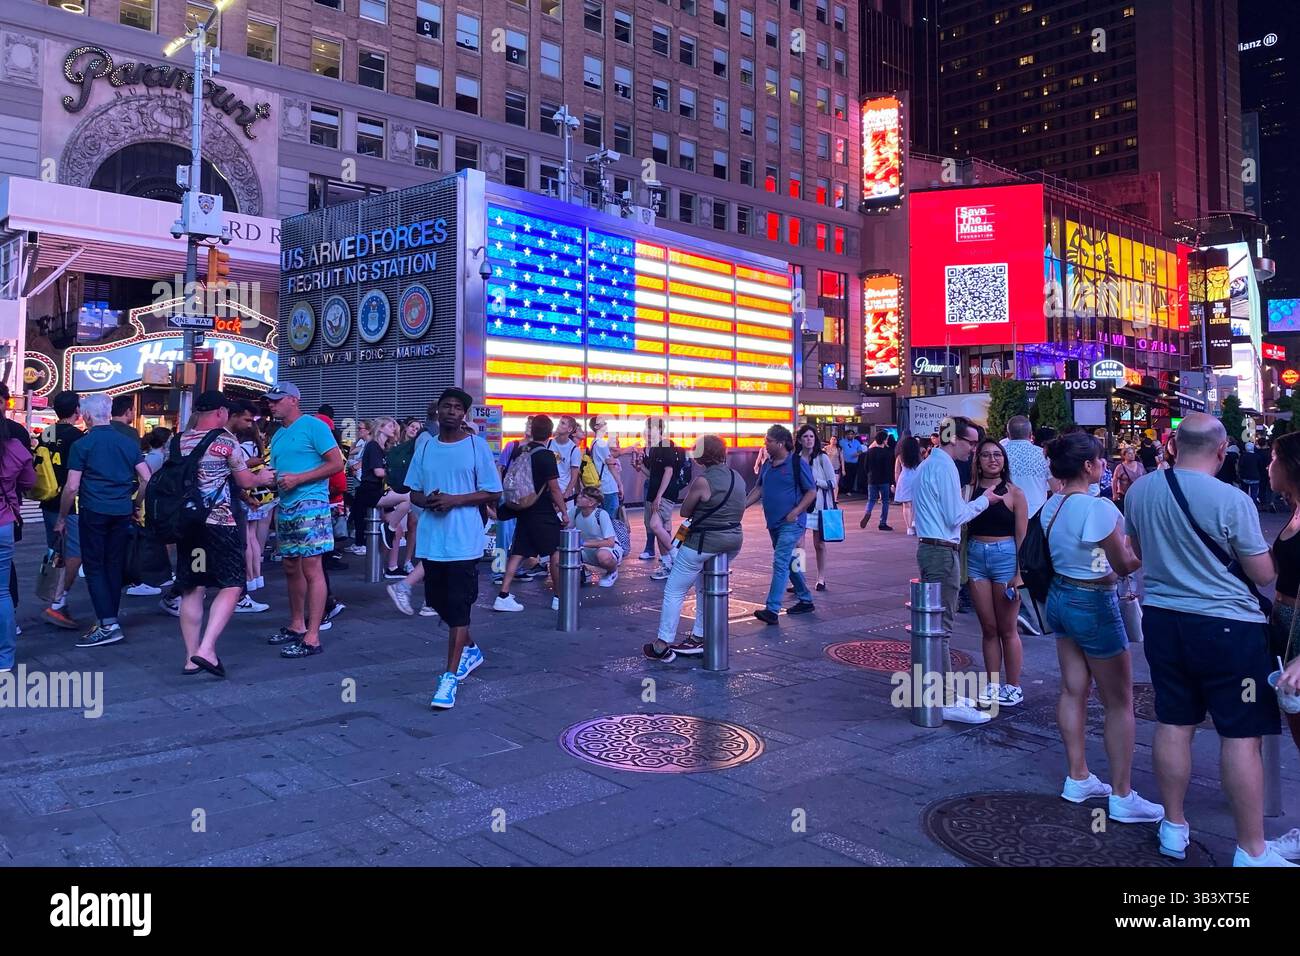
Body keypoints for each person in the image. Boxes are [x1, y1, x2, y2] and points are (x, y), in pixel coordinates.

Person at [1124, 413, 1294, 866]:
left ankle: (1174, 827)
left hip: (1162, 621)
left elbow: (1137, 553)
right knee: (1241, 735)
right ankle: (1251, 850)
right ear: (1221, 452)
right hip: (1227, 629)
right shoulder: (1231, 499)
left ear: (1175, 446)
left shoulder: (1140, 490)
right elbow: (1263, 574)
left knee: (1174, 723)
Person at [1039, 432, 1162, 823]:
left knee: (1073, 690)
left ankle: (1078, 776)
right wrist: (1149, 544)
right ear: (1088, 466)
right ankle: (1123, 795)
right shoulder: (1099, 508)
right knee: (1118, 702)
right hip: (1093, 602)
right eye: (1099, 460)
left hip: (1059, 598)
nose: (1104, 464)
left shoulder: (1051, 506)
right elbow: (1124, 564)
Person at [403, 387, 502, 710]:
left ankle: (448, 677)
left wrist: (455, 500)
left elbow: (492, 492)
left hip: (464, 540)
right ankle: (470, 648)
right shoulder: (426, 446)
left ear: (464, 415)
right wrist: (430, 501)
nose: (451, 412)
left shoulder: (476, 447)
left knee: (459, 608)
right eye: (446, 406)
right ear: (438, 411)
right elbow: (413, 491)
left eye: (458, 408)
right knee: (438, 603)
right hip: (433, 541)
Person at [175, 392, 277, 677]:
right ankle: (207, 649)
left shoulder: (179, 439)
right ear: (220, 412)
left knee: (193, 588)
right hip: (219, 523)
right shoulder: (224, 440)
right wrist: (263, 477)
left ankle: (190, 657)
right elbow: (245, 480)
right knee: (232, 584)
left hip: (187, 525)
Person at [912, 417, 1003, 724]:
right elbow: (955, 516)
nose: (974, 450)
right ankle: (946, 700)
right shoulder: (944, 466)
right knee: (941, 629)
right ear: (954, 439)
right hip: (940, 550)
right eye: (971, 443)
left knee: (938, 626)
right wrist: (984, 501)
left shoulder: (930, 463)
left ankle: (945, 694)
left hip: (933, 548)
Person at [55, 393, 153, 648]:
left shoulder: (83, 445)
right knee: (113, 564)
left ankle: (108, 624)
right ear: (108, 413)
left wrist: (62, 517)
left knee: (95, 565)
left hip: (94, 510)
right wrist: (136, 504)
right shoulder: (127, 442)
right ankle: (108, 619)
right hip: (122, 510)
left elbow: (72, 487)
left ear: (86, 416)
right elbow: (147, 478)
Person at [644, 435, 745, 661]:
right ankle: (699, 636)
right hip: (733, 541)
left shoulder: (703, 480)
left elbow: (686, 512)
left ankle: (662, 644)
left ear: (701, 455)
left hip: (704, 541)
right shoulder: (737, 476)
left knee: (674, 589)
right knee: (702, 586)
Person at [264, 382, 345, 659]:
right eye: (270, 400)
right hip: (286, 505)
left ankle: (313, 636)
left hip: (311, 503)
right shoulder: (277, 435)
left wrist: (298, 479)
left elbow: (337, 463)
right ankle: (297, 623)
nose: (271, 404)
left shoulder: (314, 426)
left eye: (276, 400)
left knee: (312, 566)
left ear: (293, 400)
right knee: (290, 566)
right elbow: (277, 470)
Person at [965, 438, 1028, 708]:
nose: (993, 459)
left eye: (998, 455)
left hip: (1005, 556)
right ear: (977, 460)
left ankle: (1013, 685)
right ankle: (992, 683)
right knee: (988, 627)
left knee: (1007, 628)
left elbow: (1022, 536)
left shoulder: (1015, 492)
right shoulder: (968, 491)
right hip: (976, 556)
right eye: (987, 455)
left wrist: (1020, 573)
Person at [494, 414, 568, 612]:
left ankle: (503, 595)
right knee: (555, 553)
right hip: (542, 512)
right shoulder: (546, 455)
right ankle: (559, 598)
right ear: (550, 433)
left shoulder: (521, 450)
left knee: (518, 552)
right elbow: (554, 488)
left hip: (521, 508)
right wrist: (564, 511)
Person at [746, 424, 817, 625]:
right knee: (788, 562)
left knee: (780, 561)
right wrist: (742, 506)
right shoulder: (768, 464)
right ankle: (805, 599)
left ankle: (772, 609)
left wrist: (796, 512)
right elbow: (758, 488)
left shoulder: (797, 463)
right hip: (774, 523)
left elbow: (811, 491)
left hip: (791, 523)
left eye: (768, 440)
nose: (764, 444)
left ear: (780, 443)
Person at [38, 391, 85, 631]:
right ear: (76, 410)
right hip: (70, 503)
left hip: (47, 499)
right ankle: (57, 602)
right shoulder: (78, 437)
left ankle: (53, 597)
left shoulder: (47, 433)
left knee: (56, 551)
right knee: (75, 553)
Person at [0, 397, 34, 673]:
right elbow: (29, 483)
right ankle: (5, 658)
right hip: (4, 522)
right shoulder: (15, 449)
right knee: (1, 593)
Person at [234, 402, 274, 596]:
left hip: (246, 493)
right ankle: (257, 576)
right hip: (261, 494)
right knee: (254, 536)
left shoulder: (239, 447)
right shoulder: (259, 445)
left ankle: (249, 577)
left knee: (248, 537)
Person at [642, 418, 685, 581]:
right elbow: (653, 475)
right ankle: (668, 564)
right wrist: (640, 468)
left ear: (658, 429)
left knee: (655, 525)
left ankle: (675, 557)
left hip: (664, 493)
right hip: (655, 493)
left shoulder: (665, 445)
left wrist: (659, 495)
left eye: (649, 428)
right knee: (661, 528)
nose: (646, 432)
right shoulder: (653, 449)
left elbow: (668, 472)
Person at [795, 424, 837, 591]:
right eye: (805, 436)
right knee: (798, 543)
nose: (809, 439)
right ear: (799, 439)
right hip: (800, 505)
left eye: (811, 436)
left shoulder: (822, 458)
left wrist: (813, 482)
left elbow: (832, 482)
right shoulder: (795, 458)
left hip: (819, 506)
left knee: (819, 543)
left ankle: (821, 578)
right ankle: (797, 579)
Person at [1000, 415, 1050, 520]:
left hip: (1004, 512)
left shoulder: (999, 454)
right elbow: (1057, 488)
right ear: (1031, 434)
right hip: (1037, 514)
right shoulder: (1043, 454)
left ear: (1008, 435)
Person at [570, 485, 622, 587]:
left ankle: (612, 571)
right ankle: (584, 572)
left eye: (583, 496)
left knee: (603, 556)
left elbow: (610, 542)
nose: (578, 497)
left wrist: (583, 544)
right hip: (586, 552)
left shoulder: (601, 514)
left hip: (607, 550)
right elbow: (564, 525)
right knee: (563, 554)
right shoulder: (575, 512)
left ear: (591, 502)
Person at [858, 431, 896, 531]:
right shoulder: (888, 452)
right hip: (884, 480)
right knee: (885, 501)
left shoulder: (870, 451)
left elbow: (865, 466)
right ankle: (882, 523)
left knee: (871, 500)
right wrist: (892, 481)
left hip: (872, 479)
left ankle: (868, 512)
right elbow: (890, 468)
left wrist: (869, 475)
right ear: (884, 440)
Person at [588, 415, 623, 517]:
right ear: (596, 427)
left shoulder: (594, 442)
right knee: (611, 518)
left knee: (603, 517)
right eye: (604, 423)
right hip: (608, 486)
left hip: (602, 485)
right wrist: (620, 484)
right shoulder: (601, 443)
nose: (606, 425)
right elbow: (611, 465)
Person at [548, 415, 583, 504]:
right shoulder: (549, 443)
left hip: (564, 493)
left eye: (563, 423)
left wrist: (566, 494)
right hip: (548, 493)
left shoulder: (574, 449)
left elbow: (574, 476)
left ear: (569, 429)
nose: (559, 425)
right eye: (560, 422)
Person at [893, 435, 920, 536]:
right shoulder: (918, 456)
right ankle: (914, 522)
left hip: (904, 479)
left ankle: (909, 528)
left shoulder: (900, 456)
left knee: (906, 505)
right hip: (916, 479)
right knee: (916, 504)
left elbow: (896, 471)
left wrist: (897, 483)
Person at [1110, 446, 1144, 514]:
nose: (1132, 455)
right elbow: (1114, 480)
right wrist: (1114, 494)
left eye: (1133, 453)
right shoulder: (1120, 467)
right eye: (1129, 453)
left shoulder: (1140, 465)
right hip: (1124, 495)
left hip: (1138, 495)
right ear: (1124, 455)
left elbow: (1144, 478)